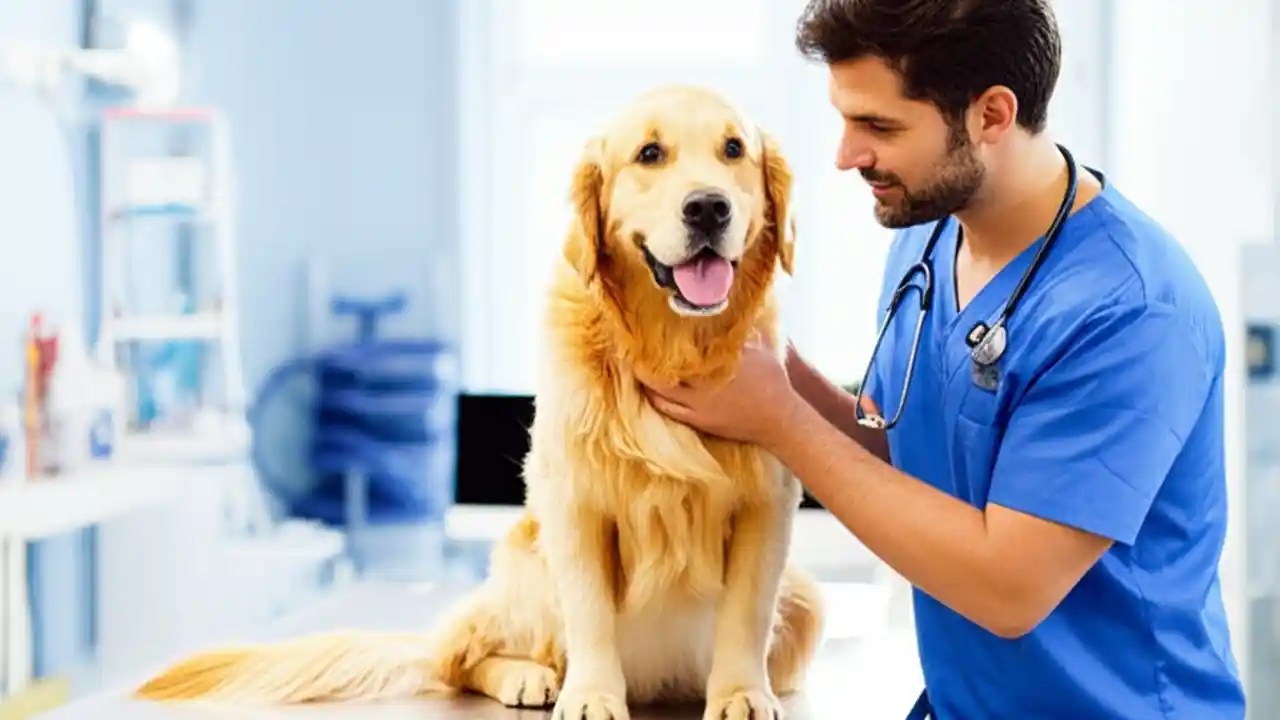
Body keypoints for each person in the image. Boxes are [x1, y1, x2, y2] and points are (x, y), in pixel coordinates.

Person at [633, 1, 1248, 718]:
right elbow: (908, 456)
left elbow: (1008, 588)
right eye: (845, 118)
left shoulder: (1131, 311)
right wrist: (779, 368)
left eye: (880, 127)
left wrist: (777, 420)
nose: (846, 155)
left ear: (991, 115)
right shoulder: (928, 240)